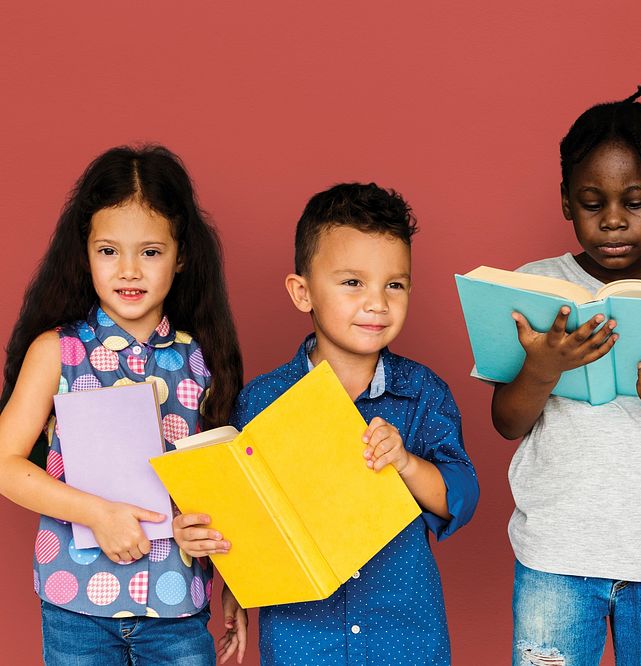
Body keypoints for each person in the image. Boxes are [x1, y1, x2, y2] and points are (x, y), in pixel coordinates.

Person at [175, 182, 479, 665]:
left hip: (404, 637)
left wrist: (404, 463)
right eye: (353, 282)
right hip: (301, 639)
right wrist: (214, 553)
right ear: (302, 292)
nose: (377, 302)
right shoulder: (260, 401)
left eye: (394, 284)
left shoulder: (423, 393)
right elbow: (243, 515)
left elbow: (460, 498)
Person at [489, 85, 641, 666]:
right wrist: (543, 366)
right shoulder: (536, 287)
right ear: (564, 201)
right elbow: (506, 421)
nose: (611, 221)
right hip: (555, 555)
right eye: (591, 202)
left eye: (634, 201)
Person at [0, 145, 243, 664]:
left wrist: (207, 543)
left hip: (178, 605)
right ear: (83, 253)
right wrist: (96, 513)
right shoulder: (56, 352)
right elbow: (3, 463)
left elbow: (220, 483)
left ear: (181, 256)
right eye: (109, 250)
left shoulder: (201, 359)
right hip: (76, 607)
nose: (129, 270)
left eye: (150, 252)